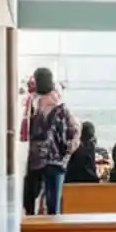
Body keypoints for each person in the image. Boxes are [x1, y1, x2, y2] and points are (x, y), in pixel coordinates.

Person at [22, 68, 79, 216]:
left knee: (30, 204)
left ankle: (33, 228)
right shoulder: (60, 107)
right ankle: (50, 230)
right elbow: (74, 131)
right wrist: (67, 151)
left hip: (36, 160)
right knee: (53, 206)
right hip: (55, 160)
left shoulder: (32, 105)